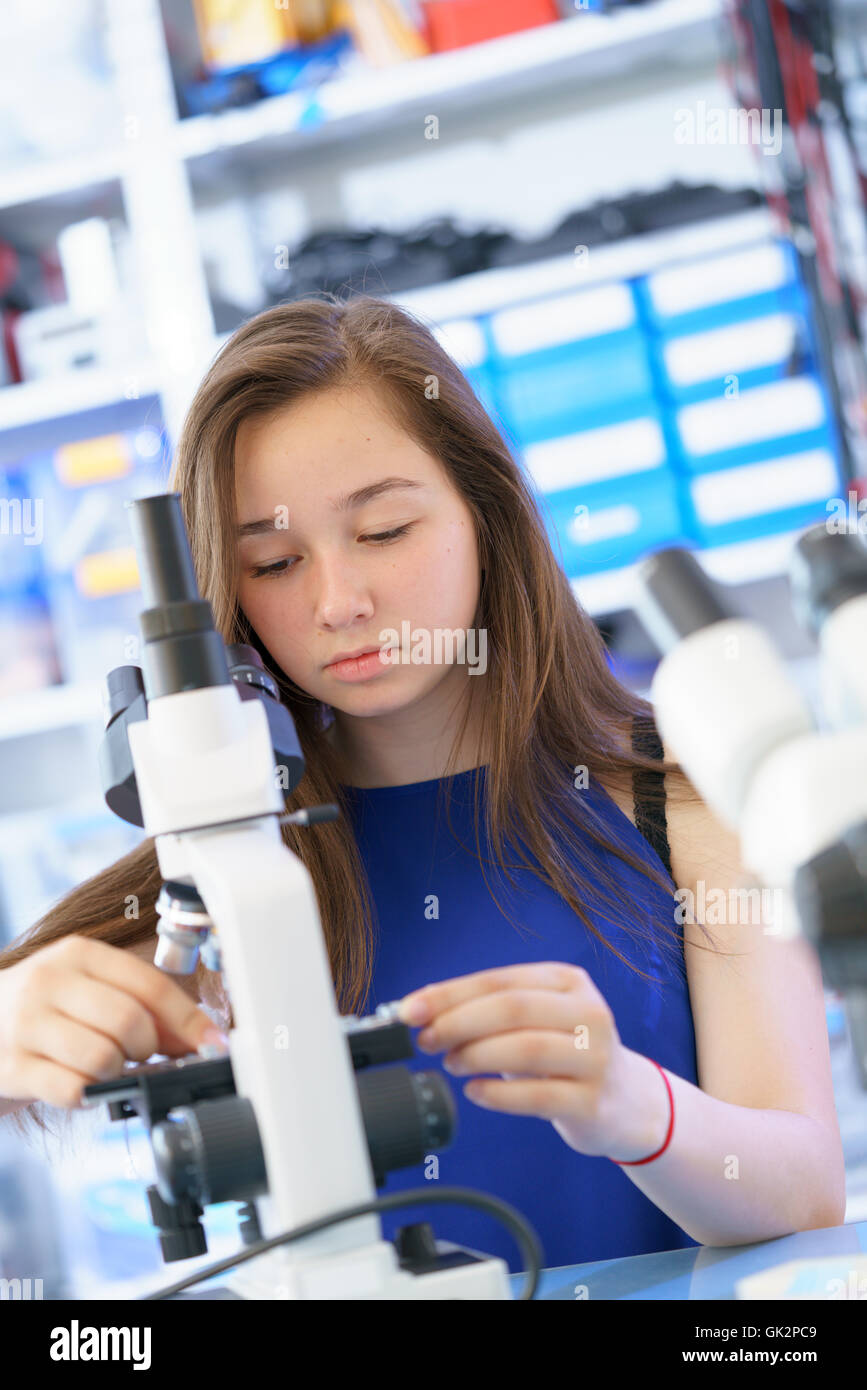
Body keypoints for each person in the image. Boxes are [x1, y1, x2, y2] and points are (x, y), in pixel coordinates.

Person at [0, 293, 845, 1275]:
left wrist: (630, 1103)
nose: (338, 602)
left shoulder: (681, 793)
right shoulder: (226, 867)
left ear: (485, 511)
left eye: (386, 530)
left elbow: (804, 1183)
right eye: (273, 562)